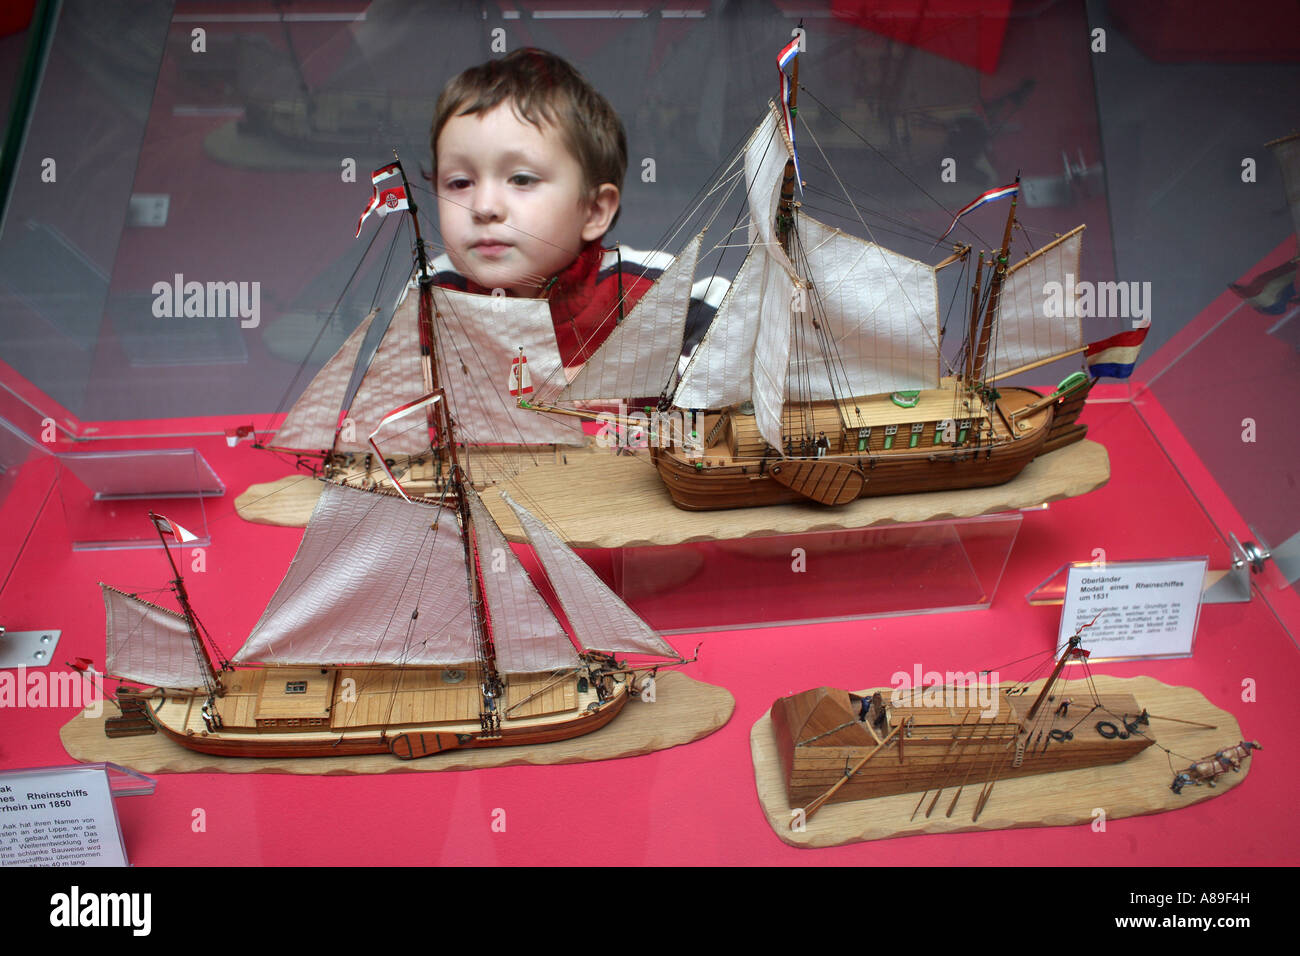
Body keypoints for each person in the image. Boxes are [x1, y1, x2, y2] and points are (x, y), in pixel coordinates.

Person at [428, 48, 719, 370]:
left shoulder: (646, 287)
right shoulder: (431, 293)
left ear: (594, 211)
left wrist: (635, 379)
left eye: (521, 179)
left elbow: (752, 346)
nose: (483, 207)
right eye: (459, 183)